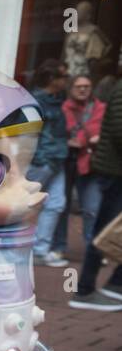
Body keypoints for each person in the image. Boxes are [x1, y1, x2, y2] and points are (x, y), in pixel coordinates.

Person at [69, 78, 122, 311]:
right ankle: (85, 290)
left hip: (115, 169)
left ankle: (115, 283)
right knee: (105, 228)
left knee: (106, 226)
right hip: (115, 170)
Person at [26, 59, 70, 266]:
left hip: (56, 159)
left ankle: (39, 251)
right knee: (24, 203)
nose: (66, 80)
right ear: (52, 78)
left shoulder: (57, 100)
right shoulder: (36, 101)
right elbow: (31, 133)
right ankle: (3, 245)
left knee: (56, 204)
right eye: (63, 76)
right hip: (43, 161)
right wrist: (41, 159)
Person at [63, 74, 107, 253]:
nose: (83, 90)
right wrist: (86, 137)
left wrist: (79, 139)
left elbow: (100, 131)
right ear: (71, 88)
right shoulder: (64, 107)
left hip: (90, 165)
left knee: (92, 209)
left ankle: (93, 250)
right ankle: (56, 246)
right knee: (60, 207)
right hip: (65, 163)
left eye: (87, 86)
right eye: (79, 86)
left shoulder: (100, 108)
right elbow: (63, 130)